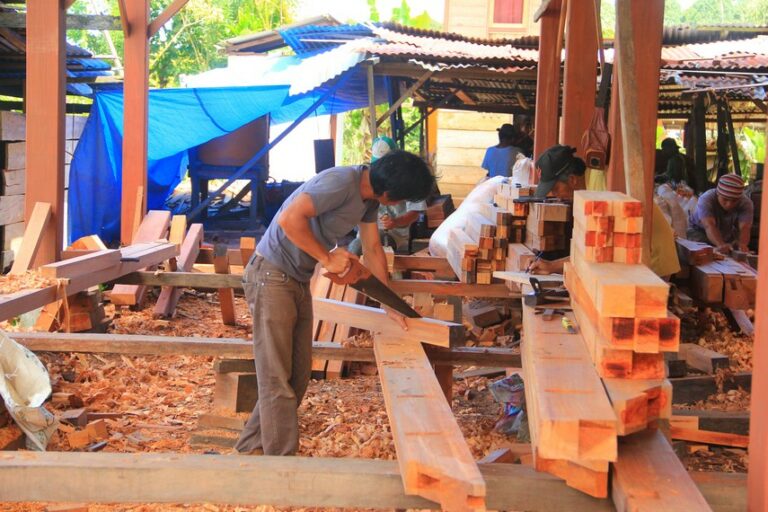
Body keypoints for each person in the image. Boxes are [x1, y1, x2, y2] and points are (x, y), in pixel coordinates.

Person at [233, 149, 435, 456]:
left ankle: (250, 449)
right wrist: (326, 258)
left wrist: (389, 303)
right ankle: (280, 465)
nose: (399, 206)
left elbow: (372, 248)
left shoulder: (369, 200)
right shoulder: (340, 182)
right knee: (276, 380)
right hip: (271, 275)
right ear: (389, 193)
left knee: (297, 377)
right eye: (402, 199)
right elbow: (289, 218)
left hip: (296, 278)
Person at [527, 145, 680, 278]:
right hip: (635, 254)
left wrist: (552, 266)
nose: (554, 195)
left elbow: (598, 251)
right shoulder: (588, 185)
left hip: (653, 257)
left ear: (572, 180)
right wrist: (553, 265)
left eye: (555, 189)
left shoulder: (599, 189)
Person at [348, 137, 427, 254]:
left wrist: (395, 222)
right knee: (356, 247)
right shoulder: (365, 175)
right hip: (365, 230)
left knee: (358, 247)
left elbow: (415, 212)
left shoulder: (407, 177)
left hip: (394, 234)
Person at [687, 173, 753, 254]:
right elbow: (709, 225)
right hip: (699, 232)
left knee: (732, 248)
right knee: (704, 253)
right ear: (718, 193)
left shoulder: (746, 203)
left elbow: (745, 227)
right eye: (725, 199)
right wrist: (721, 245)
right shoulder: (706, 199)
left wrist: (742, 245)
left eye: (734, 201)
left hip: (724, 234)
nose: (729, 204)